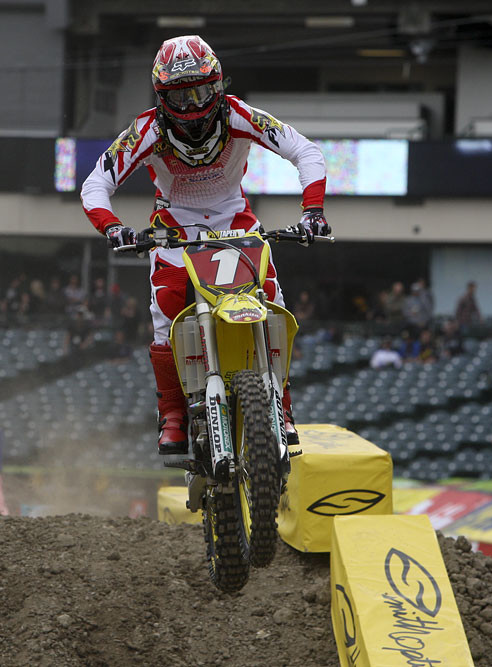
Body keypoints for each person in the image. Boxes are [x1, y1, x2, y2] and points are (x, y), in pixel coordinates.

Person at [81, 35, 329, 454]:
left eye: (200, 90)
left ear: (218, 84)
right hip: (174, 229)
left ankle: (281, 407)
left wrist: (313, 212)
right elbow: (95, 184)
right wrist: (114, 228)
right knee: (165, 310)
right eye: (180, 96)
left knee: (273, 303)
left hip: (236, 222)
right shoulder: (146, 130)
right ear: (161, 96)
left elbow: (306, 151)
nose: (193, 105)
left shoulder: (240, 114)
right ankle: (173, 414)